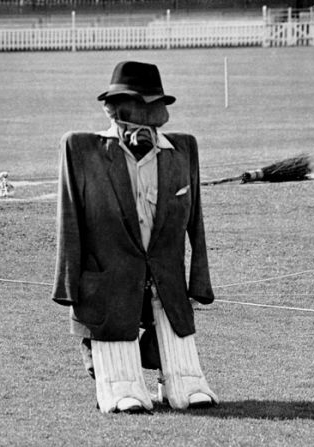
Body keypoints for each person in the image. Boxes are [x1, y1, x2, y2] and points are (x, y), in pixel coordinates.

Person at [53, 60, 218, 414]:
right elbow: (69, 219)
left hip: (164, 273)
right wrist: (67, 285)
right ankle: (117, 385)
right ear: (115, 108)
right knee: (113, 342)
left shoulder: (183, 151)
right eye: (135, 104)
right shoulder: (83, 152)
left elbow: (196, 221)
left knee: (175, 333)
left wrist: (199, 281)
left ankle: (182, 379)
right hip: (109, 274)